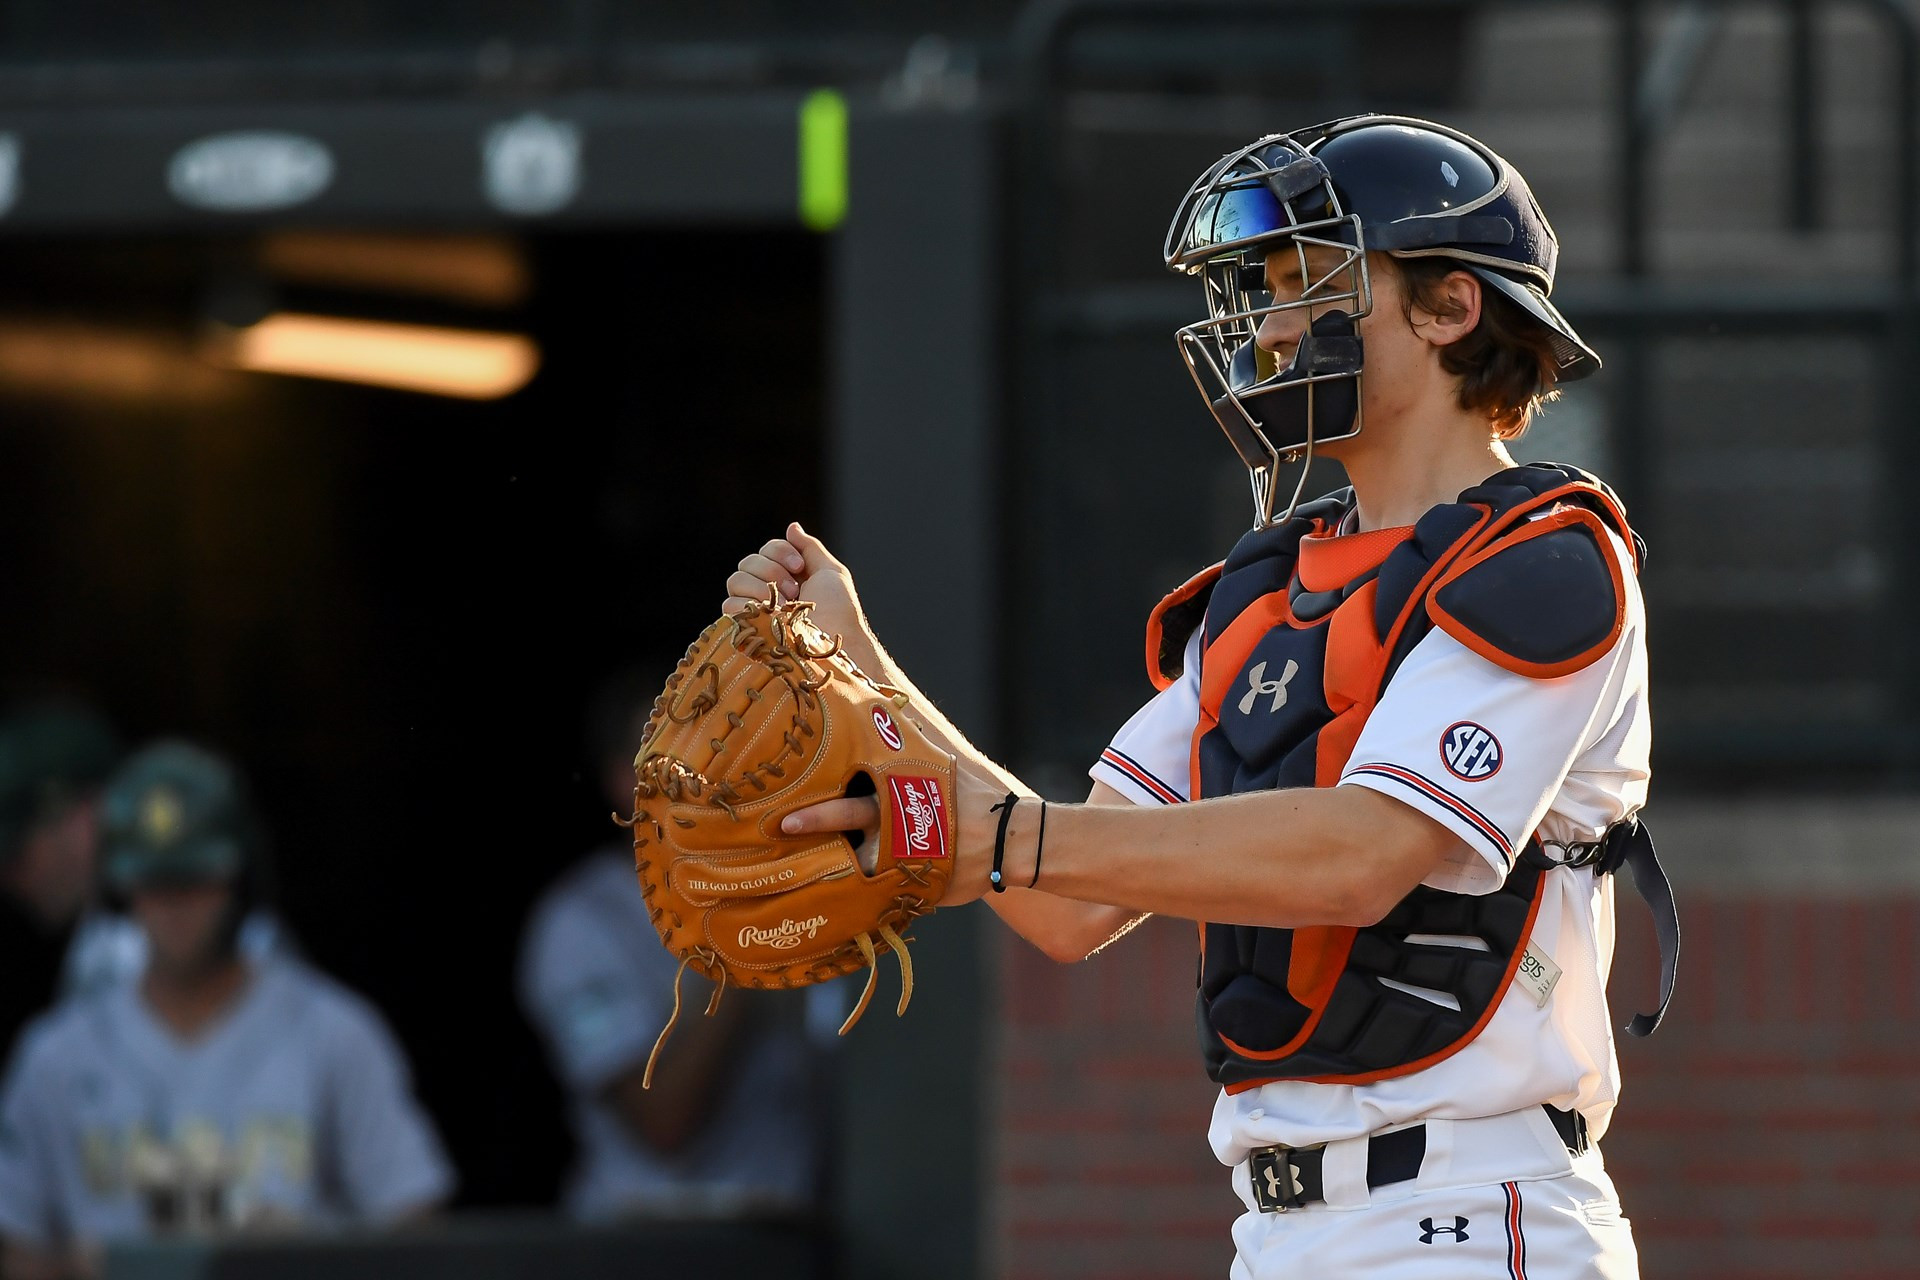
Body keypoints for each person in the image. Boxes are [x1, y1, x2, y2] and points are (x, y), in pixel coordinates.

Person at [726, 115, 1672, 1278]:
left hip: (1472, 1212)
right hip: (1278, 1229)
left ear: (1449, 307)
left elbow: (1361, 855)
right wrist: (855, 664)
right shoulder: (1267, 587)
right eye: (1265, 291)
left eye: (1309, 281)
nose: (1271, 327)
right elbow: (1067, 904)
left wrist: (1005, 835)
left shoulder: (1548, 558)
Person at [0, 740, 454, 1276]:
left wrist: (318, 1255)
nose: (175, 908)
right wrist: (77, 1270)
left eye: (196, 881)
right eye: (155, 884)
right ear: (122, 890)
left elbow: (417, 1224)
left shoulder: (332, 1031)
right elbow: (15, 1247)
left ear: (238, 880)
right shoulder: (57, 1055)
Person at [518, 673, 826, 1221]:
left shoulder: (808, 879)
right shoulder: (581, 924)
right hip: (650, 1239)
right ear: (628, 783)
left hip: (793, 1230)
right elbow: (663, 1122)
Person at [0, 703, 119, 1067]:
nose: (7, 877)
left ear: (86, 819)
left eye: (17, 852)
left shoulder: (141, 950)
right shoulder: (81, 943)